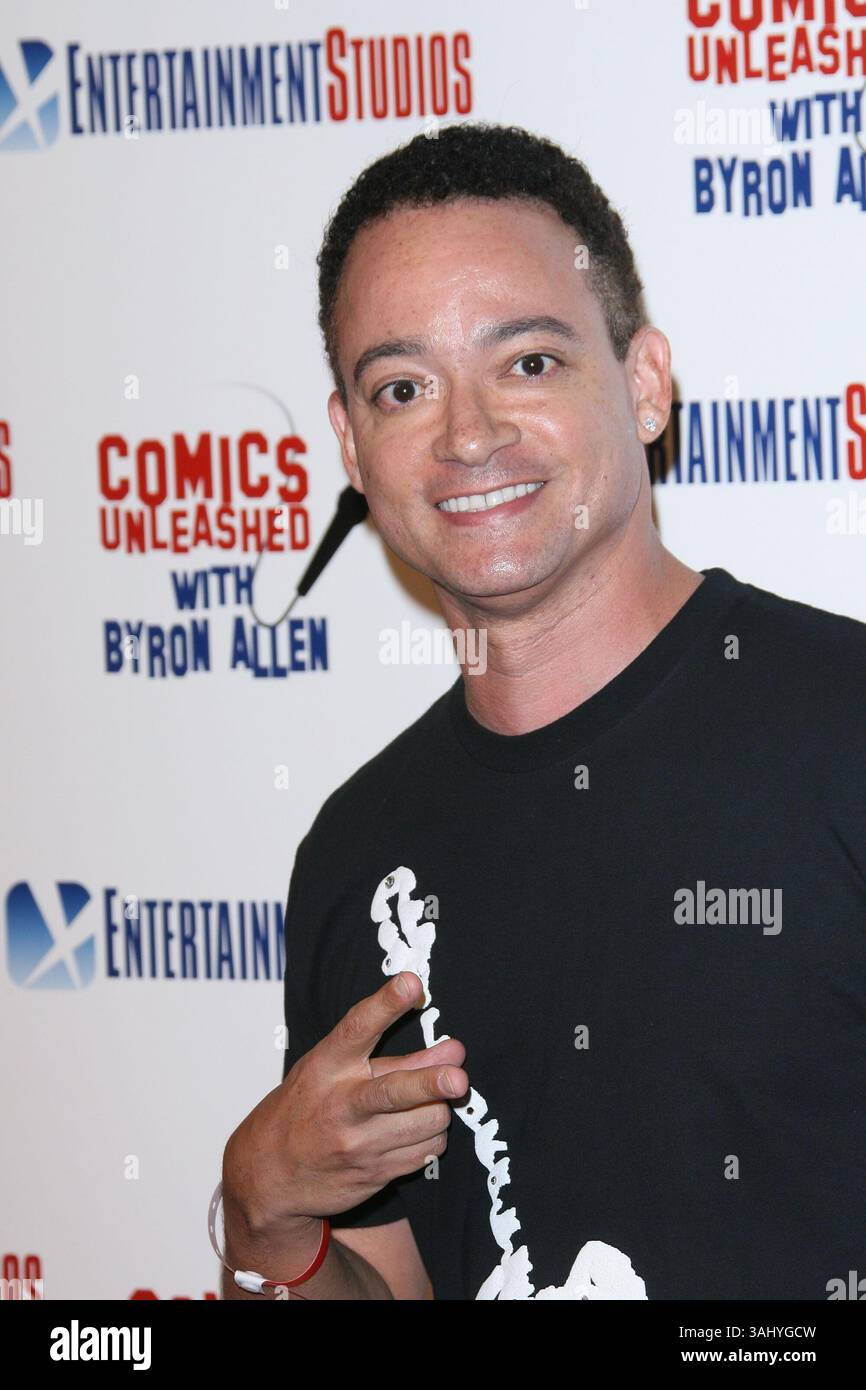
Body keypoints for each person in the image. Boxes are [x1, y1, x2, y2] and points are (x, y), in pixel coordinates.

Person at [221, 122, 866, 1300]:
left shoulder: (843, 730)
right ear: (351, 445)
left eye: (526, 362)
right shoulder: (357, 852)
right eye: (403, 387)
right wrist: (266, 1222)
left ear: (643, 384)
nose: (467, 435)